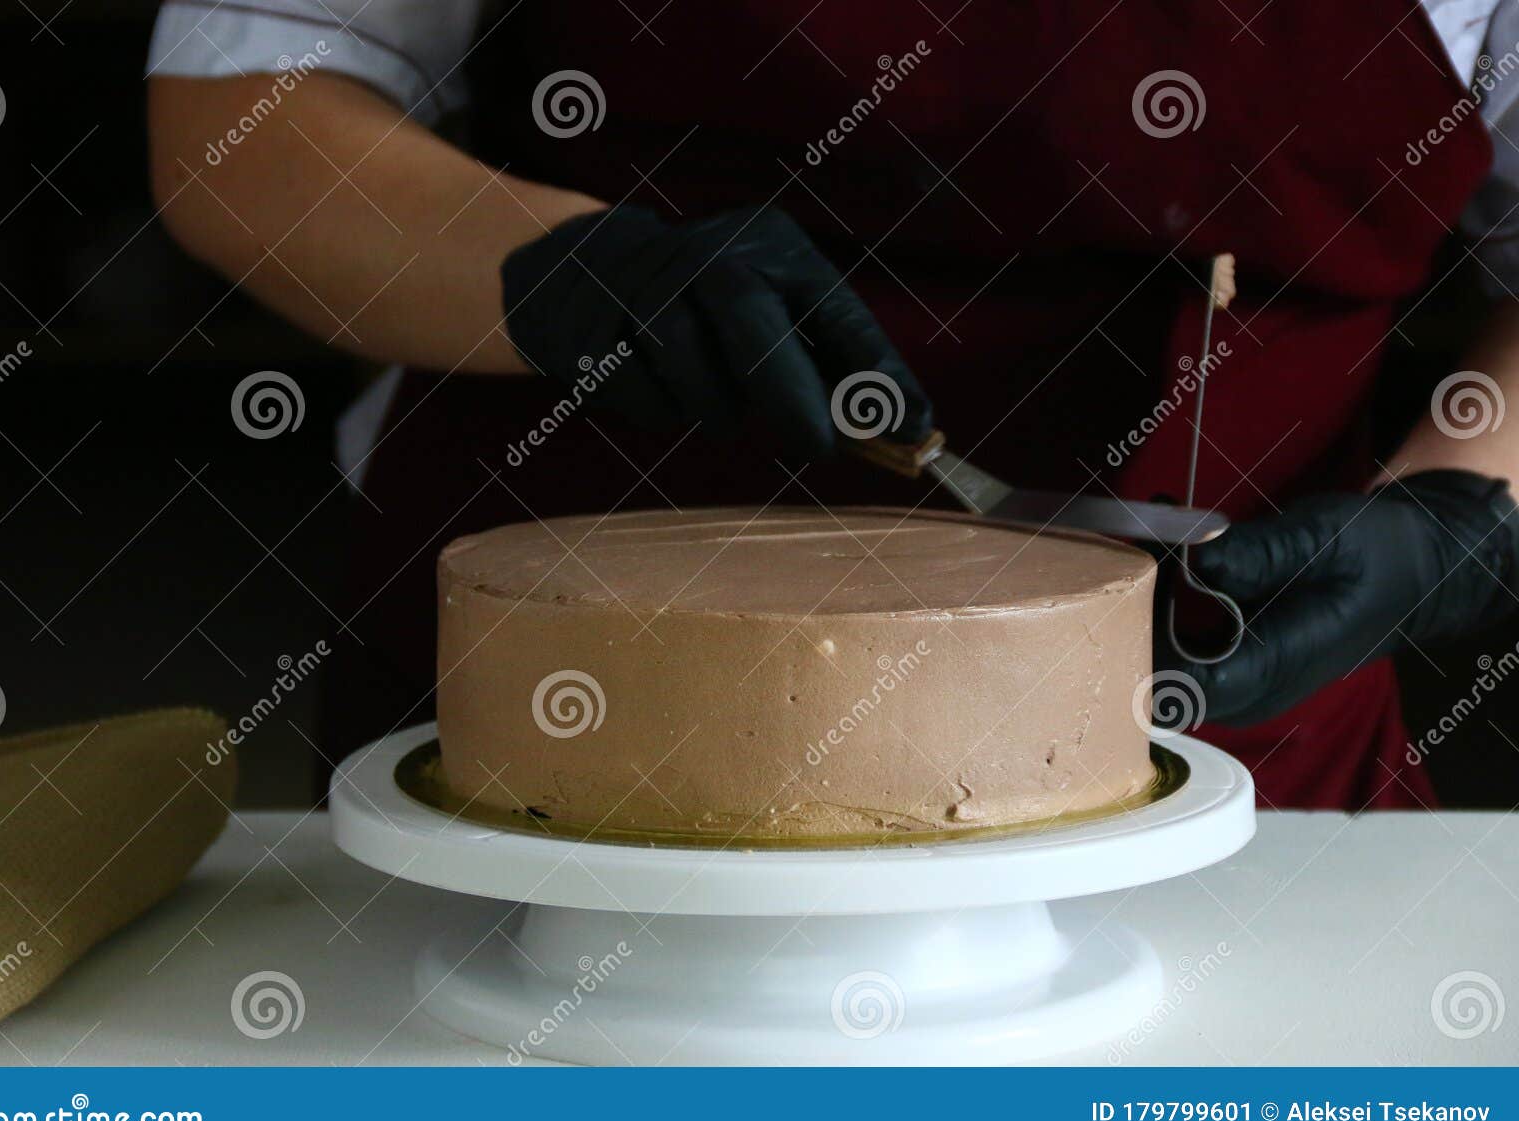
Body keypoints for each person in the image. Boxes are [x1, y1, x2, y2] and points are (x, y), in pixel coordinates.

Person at [147, 0, 1519, 808]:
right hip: (569, 708)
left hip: (1240, 722)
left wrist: (1469, 504)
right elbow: (239, 118)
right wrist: (567, 271)